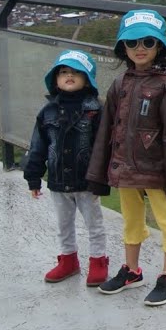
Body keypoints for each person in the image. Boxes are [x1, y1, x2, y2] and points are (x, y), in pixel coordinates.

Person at [87, 9, 166, 307]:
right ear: (123, 47)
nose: (139, 49)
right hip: (125, 168)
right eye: (132, 42)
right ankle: (132, 270)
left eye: (148, 42)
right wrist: (99, 173)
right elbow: (106, 131)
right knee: (131, 219)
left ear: (160, 47)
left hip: (158, 170)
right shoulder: (120, 83)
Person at [23, 49, 109, 287]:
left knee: (95, 224)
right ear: (55, 79)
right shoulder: (47, 112)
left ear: (87, 79)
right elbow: (38, 146)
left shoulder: (96, 110)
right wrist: (33, 177)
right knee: (63, 224)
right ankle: (68, 260)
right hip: (58, 180)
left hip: (87, 180)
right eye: (63, 72)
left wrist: (103, 177)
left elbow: (104, 146)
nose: (68, 76)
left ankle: (98, 262)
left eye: (75, 72)